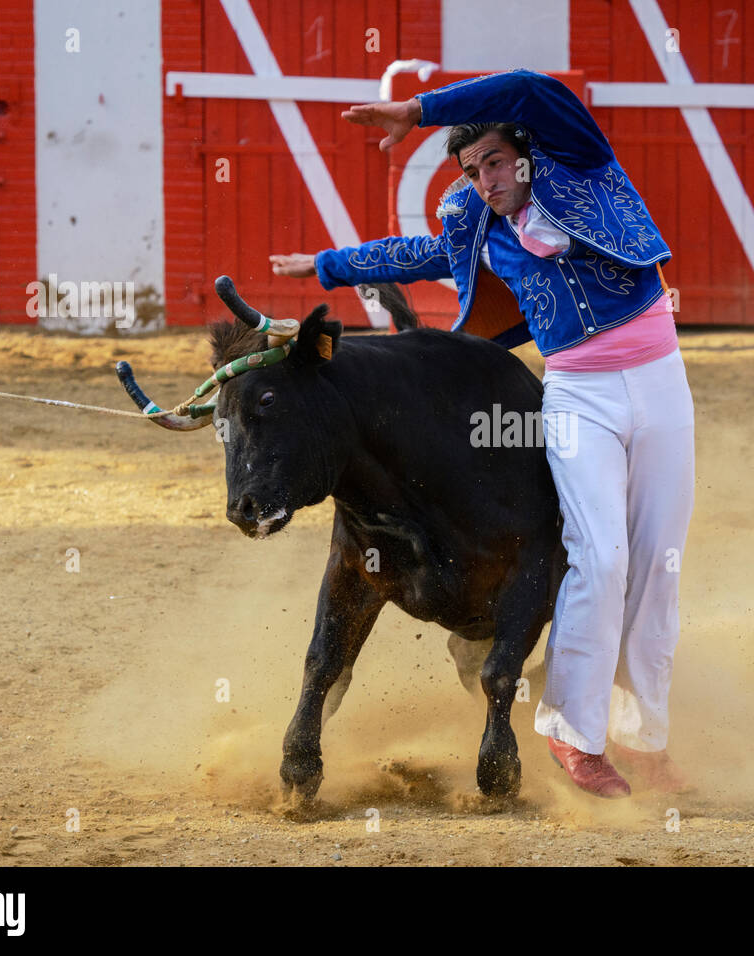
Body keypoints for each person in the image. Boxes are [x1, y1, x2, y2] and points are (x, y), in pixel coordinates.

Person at [270, 69, 695, 799]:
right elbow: (417, 256)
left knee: (658, 560)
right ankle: (575, 737)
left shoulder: (583, 163)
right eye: (473, 171)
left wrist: (419, 109)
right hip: (577, 393)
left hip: (659, 375)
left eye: (494, 162)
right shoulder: (481, 227)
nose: (487, 179)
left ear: (525, 154)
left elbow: (529, 87)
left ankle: (643, 736)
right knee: (602, 555)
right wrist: (331, 266)